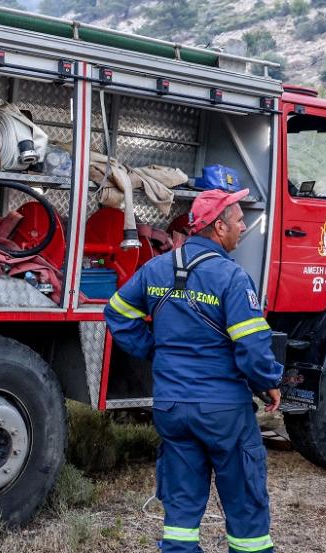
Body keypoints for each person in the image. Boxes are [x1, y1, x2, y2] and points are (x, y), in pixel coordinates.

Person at [104, 188, 283, 553]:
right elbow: (251, 348)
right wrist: (268, 382)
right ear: (219, 227)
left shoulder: (156, 268)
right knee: (245, 500)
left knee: (181, 506)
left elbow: (117, 313)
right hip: (223, 410)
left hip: (171, 408)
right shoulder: (232, 278)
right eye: (238, 220)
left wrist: (155, 350)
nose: (243, 226)